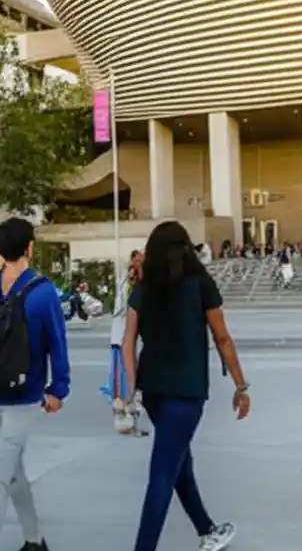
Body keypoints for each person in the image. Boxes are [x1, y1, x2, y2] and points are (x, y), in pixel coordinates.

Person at [123, 221, 247, 551]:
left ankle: (207, 529)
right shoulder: (200, 284)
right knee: (163, 473)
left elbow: (127, 342)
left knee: (179, 462)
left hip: (154, 392)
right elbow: (222, 337)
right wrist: (241, 385)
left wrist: (129, 389)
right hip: (187, 393)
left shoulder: (143, 289)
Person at [0, 218, 70, 551]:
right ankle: (31, 541)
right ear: (29, 247)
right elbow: (57, 342)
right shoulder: (42, 292)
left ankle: (33, 540)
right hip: (25, 395)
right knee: (4, 475)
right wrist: (58, 389)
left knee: (6, 467)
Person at [109, 249, 145, 435]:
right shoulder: (128, 284)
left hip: (131, 340)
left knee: (133, 382)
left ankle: (132, 422)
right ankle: (125, 424)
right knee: (123, 383)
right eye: (137, 261)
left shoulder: (140, 286)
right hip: (120, 338)